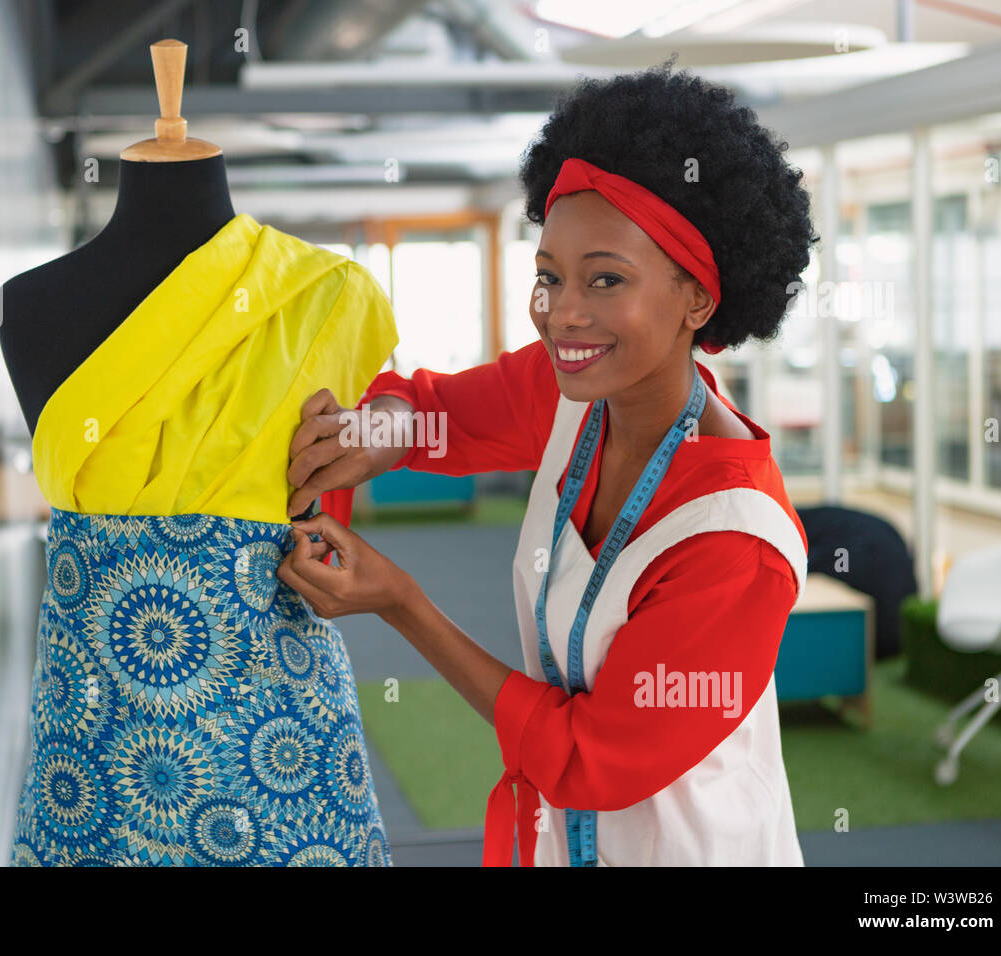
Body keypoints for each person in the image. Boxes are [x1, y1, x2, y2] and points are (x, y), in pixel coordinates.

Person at [277, 62, 817, 866]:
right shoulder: (578, 390)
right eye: (550, 277)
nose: (564, 313)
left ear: (698, 299)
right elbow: (437, 415)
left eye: (607, 280)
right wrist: (371, 431)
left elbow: (586, 758)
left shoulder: (738, 543)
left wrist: (402, 605)